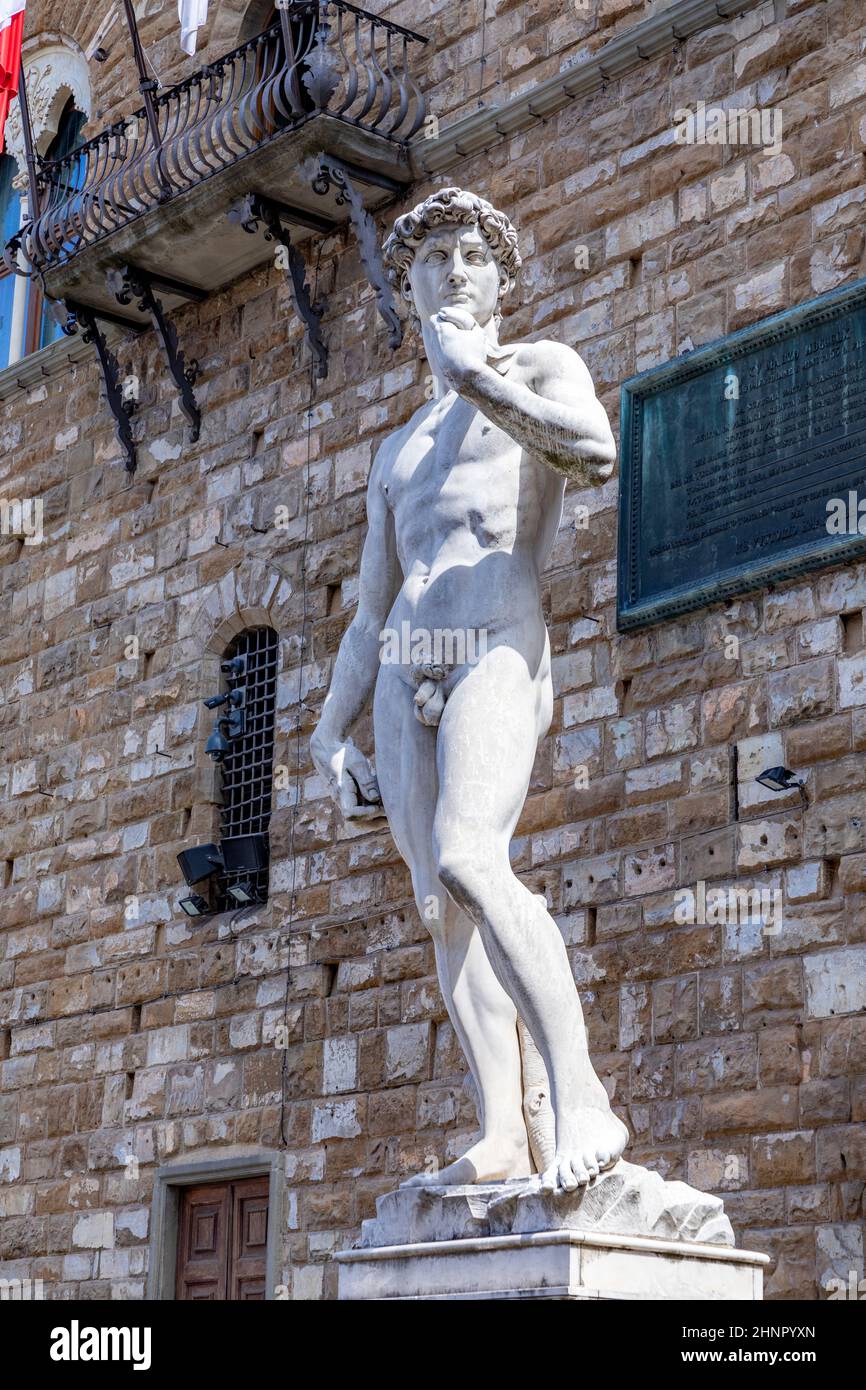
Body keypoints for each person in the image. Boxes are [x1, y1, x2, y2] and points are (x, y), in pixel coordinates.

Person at [310, 188, 628, 1192]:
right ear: (406, 288)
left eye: (469, 254)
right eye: (430, 258)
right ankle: (502, 1127)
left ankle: (579, 1095)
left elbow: (591, 451)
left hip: (495, 634)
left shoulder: (536, 367)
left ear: (499, 277)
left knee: (469, 857)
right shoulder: (395, 451)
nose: (450, 269)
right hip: (406, 663)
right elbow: (368, 610)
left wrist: (475, 381)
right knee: (437, 904)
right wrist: (327, 733)